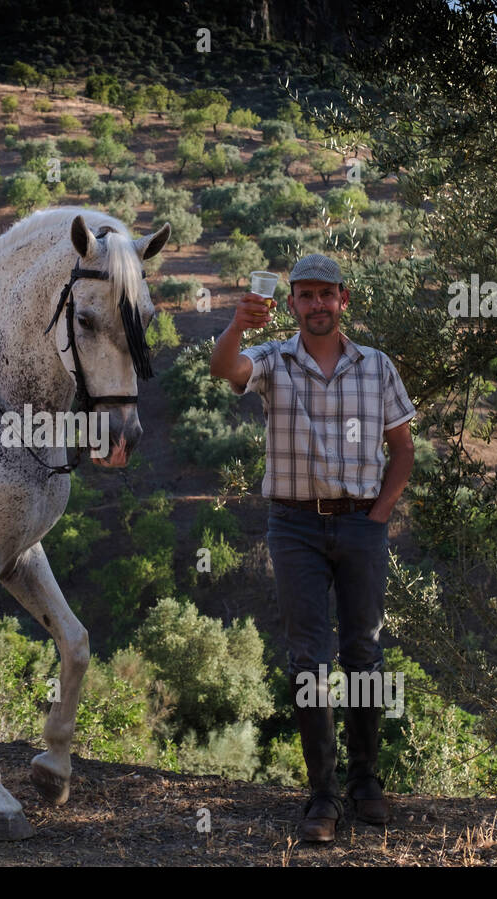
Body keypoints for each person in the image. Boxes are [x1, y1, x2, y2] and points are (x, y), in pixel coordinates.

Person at [209, 253, 416, 842]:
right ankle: (321, 796)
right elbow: (223, 367)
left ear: (343, 299)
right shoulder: (273, 359)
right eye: (306, 295)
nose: (317, 304)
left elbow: (402, 450)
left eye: (327, 294)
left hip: (360, 526)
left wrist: (378, 518)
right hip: (294, 527)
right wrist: (238, 325)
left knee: (365, 655)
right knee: (308, 662)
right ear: (292, 302)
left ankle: (366, 784)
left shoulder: (377, 367)